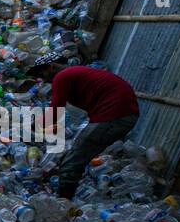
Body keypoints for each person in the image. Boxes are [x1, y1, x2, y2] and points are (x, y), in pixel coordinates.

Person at [27, 52, 139, 199]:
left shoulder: (62, 76)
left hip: (113, 115)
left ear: (52, 66)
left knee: (71, 163)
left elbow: (54, 113)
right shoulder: (75, 73)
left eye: (42, 73)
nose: (41, 78)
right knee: (75, 154)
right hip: (120, 114)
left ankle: (62, 205)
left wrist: (28, 127)